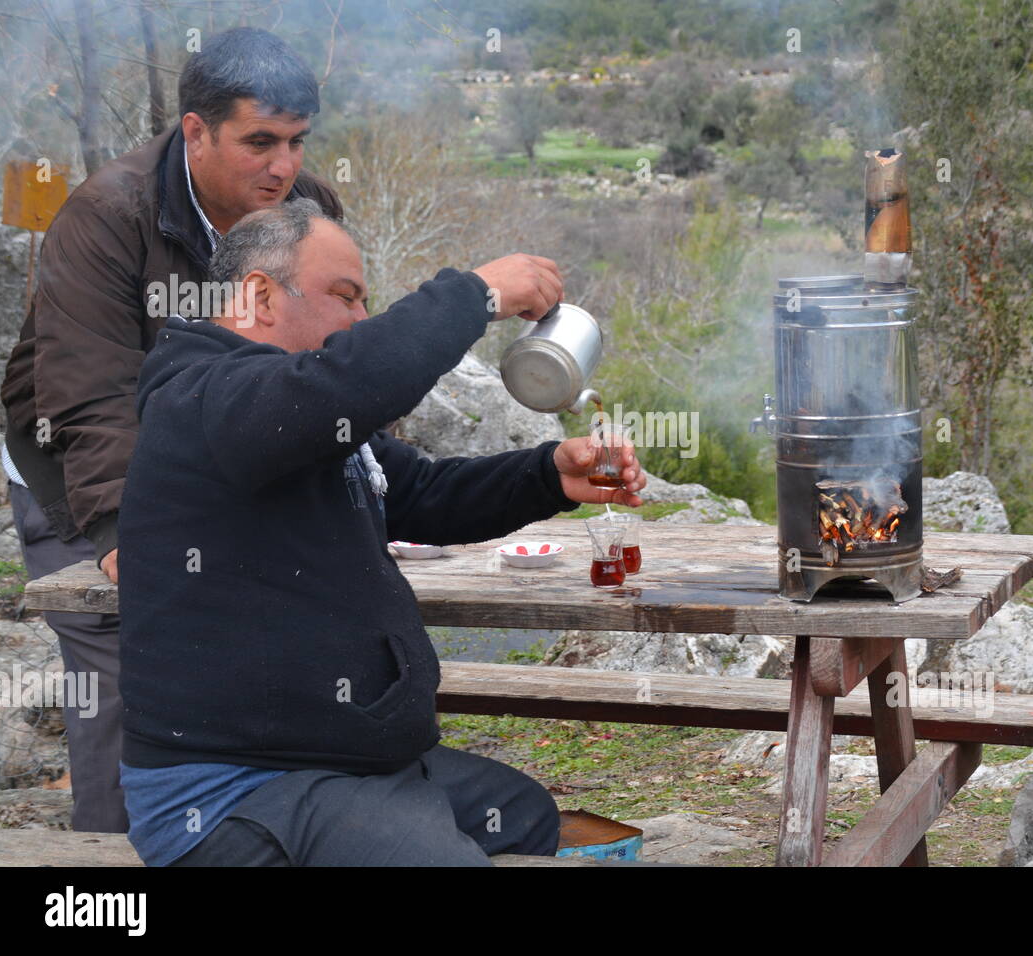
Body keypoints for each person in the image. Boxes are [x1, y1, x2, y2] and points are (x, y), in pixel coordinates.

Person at [117, 197, 646, 866]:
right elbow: (353, 379)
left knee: (528, 819)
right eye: (345, 297)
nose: (359, 321)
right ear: (259, 297)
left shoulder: (301, 421)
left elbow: (423, 493)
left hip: (348, 764)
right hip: (236, 790)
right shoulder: (206, 399)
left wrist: (547, 476)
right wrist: (477, 294)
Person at [0, 27, 343, 833]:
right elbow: (86, 396)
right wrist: (124, 533)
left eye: (296, 142)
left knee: (267, 655)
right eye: (259, 141)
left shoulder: (308, 213)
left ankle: (243, 838)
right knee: (129, 666)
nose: (283, 166)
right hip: (76, 471)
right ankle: (113, 870)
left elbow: (335, 360)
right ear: (195, 130)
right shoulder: (106, 216)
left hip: (216, 468)